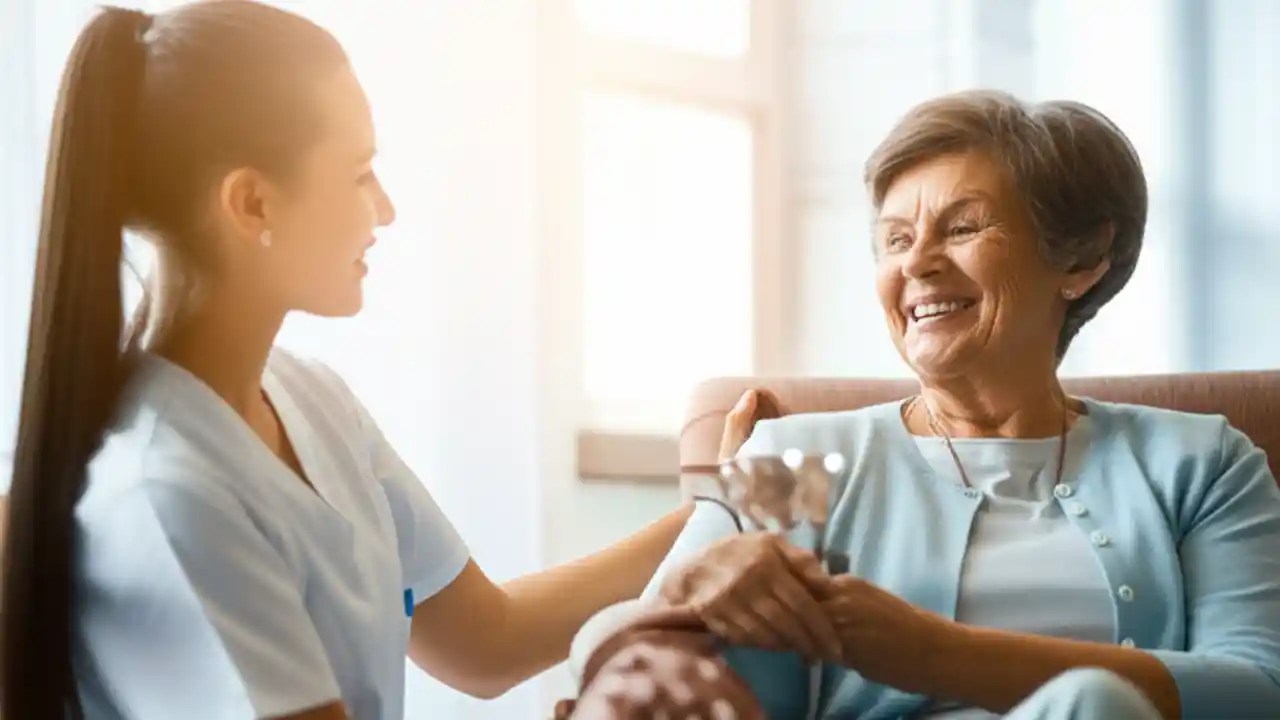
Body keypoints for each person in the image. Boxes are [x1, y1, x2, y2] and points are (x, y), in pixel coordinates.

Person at [0, 4, 697, 719]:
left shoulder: (313, 400)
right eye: (361, 174)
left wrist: (722, 511)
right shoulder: (168, 493)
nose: (386, 210)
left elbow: (488, 642)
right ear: (252, 203)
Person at [566, 91, 1280, 718]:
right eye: (895, 240)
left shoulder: (1201, 462)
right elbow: (609, 647)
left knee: (1093, 705)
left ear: (1081, 260)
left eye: (962, 228)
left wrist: (934, 654)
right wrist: (695, 579)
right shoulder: (793, 455)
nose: (916, 263)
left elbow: (1258, 688)